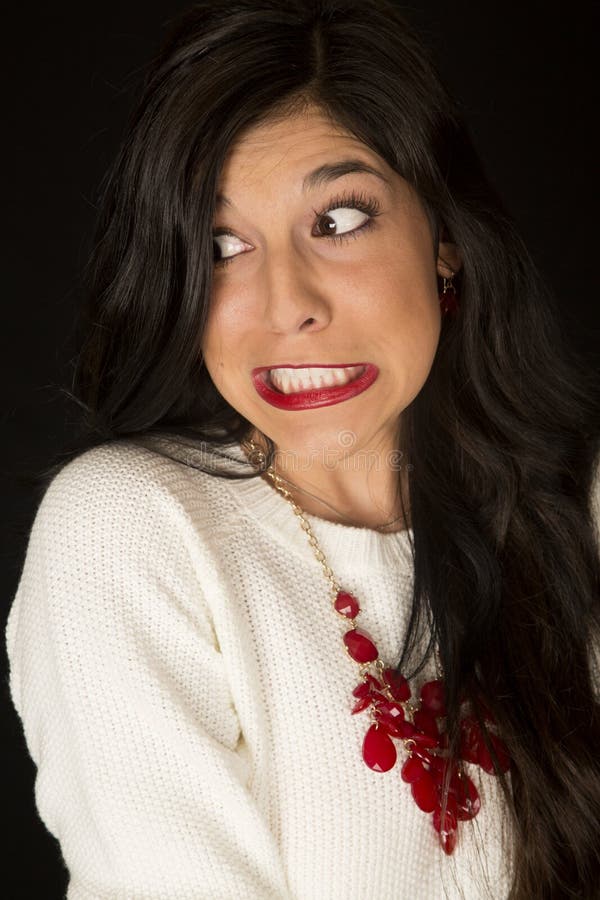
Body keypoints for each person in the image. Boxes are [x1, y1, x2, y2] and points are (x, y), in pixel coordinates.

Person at [5, 1, 600, 897]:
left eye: (338, 221)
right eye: (221, 245)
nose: (289, 303)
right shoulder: (129, 531)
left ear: (445, 242)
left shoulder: (573, 506)